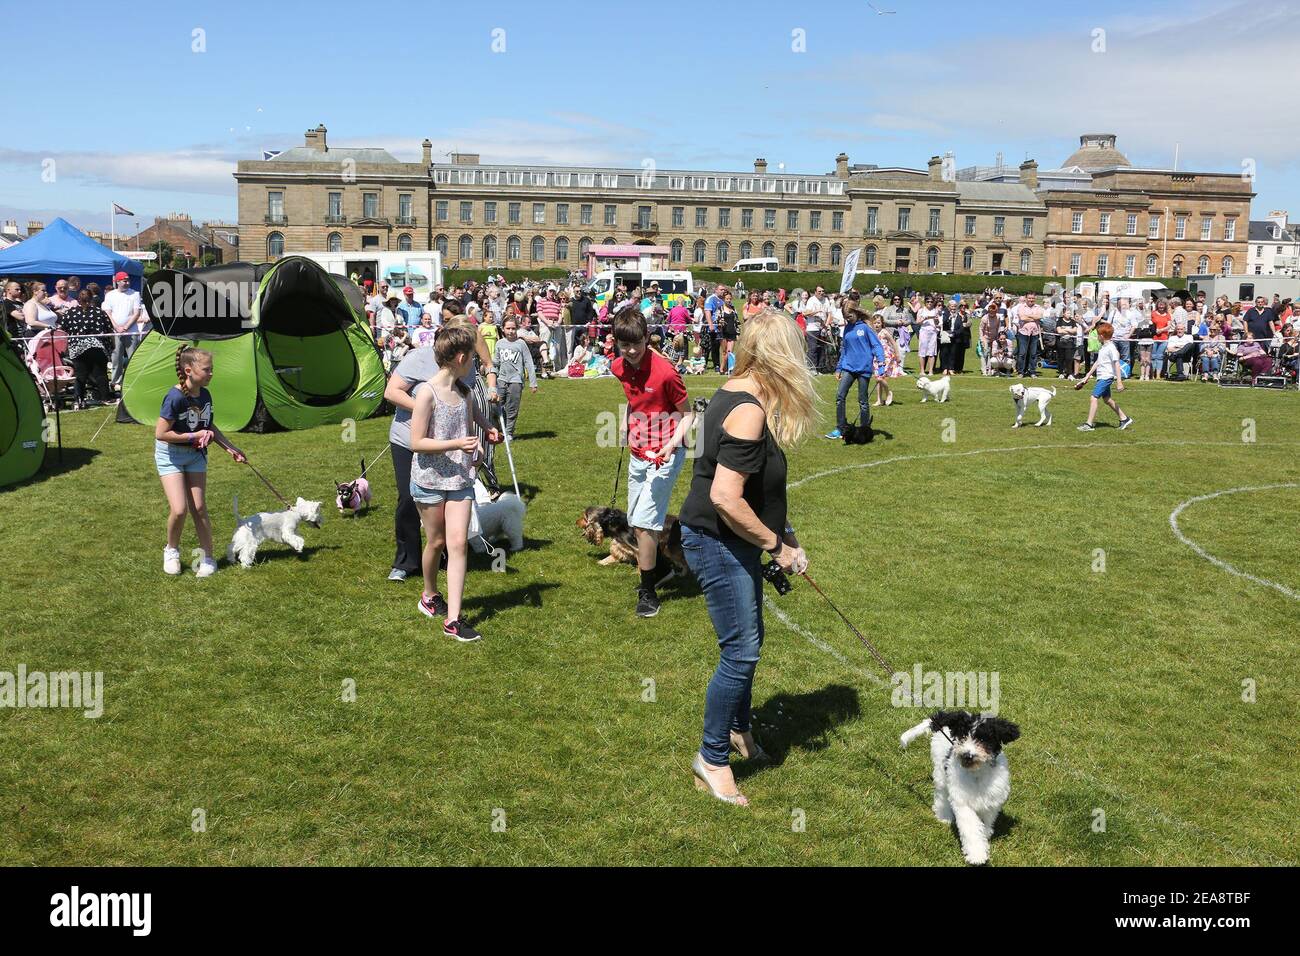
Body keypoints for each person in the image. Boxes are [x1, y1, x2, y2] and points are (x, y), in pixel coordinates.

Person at [678, 307, 814, 806]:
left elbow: (758, 491)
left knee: (746, 642)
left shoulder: (741, 393)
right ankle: (712, 759)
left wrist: (788, 536)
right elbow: (725, 498)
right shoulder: (749, 408)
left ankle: (739, 730)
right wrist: (776, 547)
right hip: (717, 541)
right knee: (741, 650)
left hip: (734, 539)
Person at [407, 324, 502, 643]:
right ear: (461, 357)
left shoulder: (464, 390)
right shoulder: (426, 393)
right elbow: (417, 442)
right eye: (474, 357)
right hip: (429, 480)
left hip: (461, 478)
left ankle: (454, 619)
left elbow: (474, 414)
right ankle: (430, 594)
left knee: (458, 543)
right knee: (436, 543)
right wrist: (455, 444)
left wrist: (488, 428)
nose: (476, 363)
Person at [610, 306, 695, 617]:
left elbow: (689, 415)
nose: (631, 351)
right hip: (638, 453)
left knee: (645, 523)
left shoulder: (666, 372)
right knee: (635, 519)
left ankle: (648, 593)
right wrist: (626, 421)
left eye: (636, 344)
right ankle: (658, 570)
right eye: (624, 345)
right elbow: (635, 400)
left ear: (647, 337)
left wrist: (670, 446)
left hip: (666, 454)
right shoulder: (619, 366)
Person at [155, 345, 246, 577]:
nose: (211, 373)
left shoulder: (204, 394)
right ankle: (171, 550)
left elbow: (209, 426)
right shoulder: (174, 397)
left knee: (199, 507)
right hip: (171, 455)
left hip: (195, 455)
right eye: (207, 369)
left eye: (212, 369)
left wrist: (230, 449)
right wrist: (193, 436)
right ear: (189, 370)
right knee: (179, 509)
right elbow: (161, 433)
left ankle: (208, 558)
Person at [825, 307, 884, 439]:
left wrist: (881, 364)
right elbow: (844, 349)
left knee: (863, 400)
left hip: (864, 368)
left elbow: (876, 346)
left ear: (856, 313)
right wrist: (839, 368)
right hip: (848, 367)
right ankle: (840, 428)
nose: (848, 318)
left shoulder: (865, 328)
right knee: (840, 396)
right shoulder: (847, 328)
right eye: (845, 316)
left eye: (849, 315)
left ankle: (864, 429)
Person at [1074, 322, 1133, 432]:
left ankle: (1089, 424)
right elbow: (1098, 362)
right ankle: (1124, 418)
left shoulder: (1111, 348)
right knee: (1107, 399)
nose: (1096, 337)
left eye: (1097, 335)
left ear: (1101, 336)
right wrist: (1086, 377)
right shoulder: (1103, 347)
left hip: (1107, 377)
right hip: (1101, 377)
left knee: (1093, 397)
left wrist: (1119, 382)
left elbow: (1117, 364)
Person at [61, 289, 114, 405]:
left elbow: (63, 330)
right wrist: (111, 346)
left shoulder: (69, 313)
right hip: (96, 346)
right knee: (100, 373)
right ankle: (106, 398)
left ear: (78, 299)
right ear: (91, 299)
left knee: (80, 375)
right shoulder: (99, 312)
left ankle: (78, 399)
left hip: (78, 348)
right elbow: (109, 330)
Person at [493, 317, 538, 438]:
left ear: (517, 329)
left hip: (516, 381)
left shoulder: (521, 344)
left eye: (513, 328)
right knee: (495, 405)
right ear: (503, 329)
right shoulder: (499, 343)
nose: (511, 331)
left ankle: (508, 433)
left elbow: (529, 362)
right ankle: (498, 429)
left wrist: (533, 383)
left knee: (512, 408)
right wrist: (491, 374)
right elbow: (495, 362)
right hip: (501, 379)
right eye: (508, 328)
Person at [104, 272, 145, 392]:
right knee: (116, 358)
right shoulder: (110, 295)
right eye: (124, 280)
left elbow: (136, 313)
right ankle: (116, 382)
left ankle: (133, 381)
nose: (127, 282)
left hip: (131, 331)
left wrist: (126, 327)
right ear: (118, 282)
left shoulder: (135, 294)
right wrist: (116, 327)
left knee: (133, 357)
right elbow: (108, 313)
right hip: (116, 331)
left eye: (128, 280)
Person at [1016, 292, 1044, 378]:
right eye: (1029, 298)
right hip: (1023, 332)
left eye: (1032, 298)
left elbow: (1039, 316)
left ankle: (1032, 372)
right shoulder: (1021, 307)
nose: (1031, 300)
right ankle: (1021, 372)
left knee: (1033, 353)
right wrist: (1033, 317)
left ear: (1035, 299)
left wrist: (1028, 316)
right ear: (1026, 298)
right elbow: (1022, 318)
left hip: (1035, 333)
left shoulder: (1038, 307)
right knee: (1022, 353)